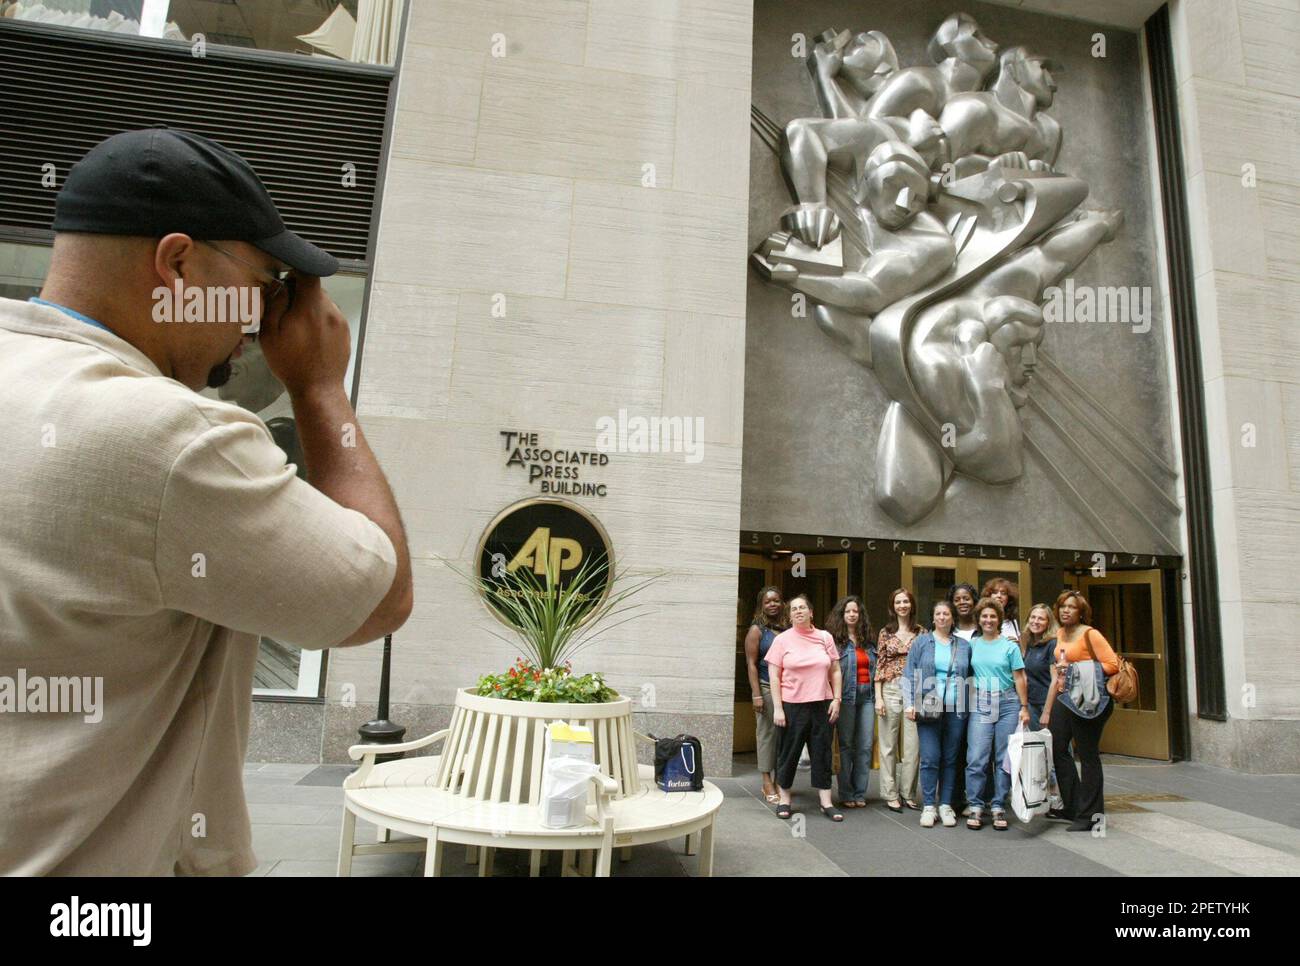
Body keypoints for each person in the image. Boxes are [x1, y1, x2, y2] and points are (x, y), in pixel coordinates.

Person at [0, 128, 413, 875]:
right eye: (261, 286)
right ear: (179, 265)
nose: (259, 325)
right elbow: (375, 595)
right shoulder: (171, 438)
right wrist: (319, 387)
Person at [1042, 590, 1119, 832]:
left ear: (1081, 611)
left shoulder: (1090, 634)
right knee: (1057, 747)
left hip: (1089, 700)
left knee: (1087, 756)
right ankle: (1074, 805)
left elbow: (1112, 664)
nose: (1066, 610)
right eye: (1063, 606)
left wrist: (1076, 668)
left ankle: (1091, 815)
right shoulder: (1060, 633)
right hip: (1066, 698)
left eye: (1072, 607)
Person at [768, 594, 845, 821]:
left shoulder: (824, 637)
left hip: (822, 703)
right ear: (789, 615)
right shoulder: (782, 640)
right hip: (792, 705)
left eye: (803, 607)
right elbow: (774, 676)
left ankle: (826, 802)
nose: (798, 611)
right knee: (788, 753)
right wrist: (778, 708)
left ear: (811, 612)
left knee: (822, 753)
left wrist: (837, 699)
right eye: (794, 609)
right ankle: (784, 799)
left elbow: (836, 670)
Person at [902, 600, 971, 828]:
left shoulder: (962, 646)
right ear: (933, 618)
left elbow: (970, 676)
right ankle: (929, 805)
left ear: (952, 618)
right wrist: (909, 703)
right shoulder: (921, 642)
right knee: (931, 758)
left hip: (956, 709)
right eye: (938, 614)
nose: (942, 617)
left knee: (951, 759)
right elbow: (909, 673)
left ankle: (946, 804)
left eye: (946, 614)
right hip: (928, 708)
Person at [965, 597, 1029, 830]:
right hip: (981, 701)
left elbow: (1020, 677)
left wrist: (1024, 707)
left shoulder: (1010, 646)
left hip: (1009, 702)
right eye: (984, 616)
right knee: (977, 756)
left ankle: (998, 805)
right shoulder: (972, 645)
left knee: (1004, 758)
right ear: (978, 620)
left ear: (999, 619)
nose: (988, 620)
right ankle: (975, 805)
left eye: (993, 616)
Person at [875, 588, 921, 812]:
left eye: (905, 602)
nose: (902, 605)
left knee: (913, 745)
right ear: (893, 606)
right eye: (898, 602)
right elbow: (880, 665)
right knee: (888, 745)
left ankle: (908, 793)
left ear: (911, 605)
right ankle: (890, 793)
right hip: (890, 689)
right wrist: (878, 698)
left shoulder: (922, 633)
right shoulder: (886, 632)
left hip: (914, 691)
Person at [826, 595, 874, 808]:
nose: (852, 614)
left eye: (855, 611)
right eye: (848, 611)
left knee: (864, 745)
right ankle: (845, 792)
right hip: (845, 697)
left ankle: (859, 792)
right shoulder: (834, 641)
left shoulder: (868, 640)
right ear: (841, 615)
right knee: (846, 745)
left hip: (868, 697)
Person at [1021, 602, 1066, 817]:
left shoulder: (1052, 644)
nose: (1035, 622)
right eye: (1033, 618)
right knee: (1040, 752)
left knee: (1053, 751)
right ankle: (1048, 796)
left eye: (1041, 618)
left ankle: (1060, 799)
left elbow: (1055, 680)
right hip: (1031, 703)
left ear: (1048, 622)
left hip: (1047, 705)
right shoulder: (1030, 643)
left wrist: (1047, 711)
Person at [744, 586, 788, 803]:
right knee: (766, 735)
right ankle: (766, 781)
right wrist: (756, 695)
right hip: (766, 687)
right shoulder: (757, 630)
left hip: (789, 689)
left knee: (784, 736)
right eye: (768, 601)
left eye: (776, 601)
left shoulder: (788, 628)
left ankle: (781, 780)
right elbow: (751, 664)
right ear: (762, 605)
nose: (773, 604)